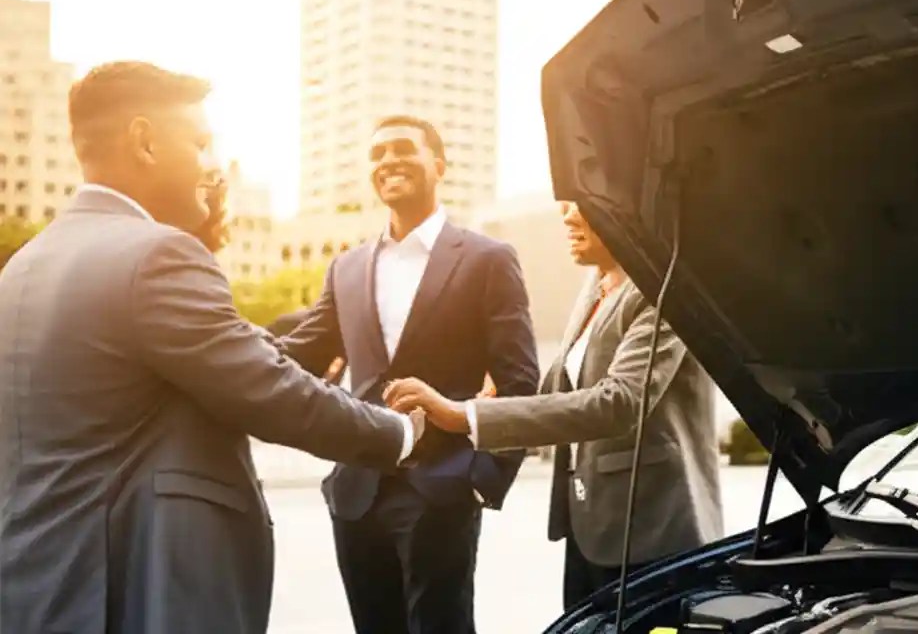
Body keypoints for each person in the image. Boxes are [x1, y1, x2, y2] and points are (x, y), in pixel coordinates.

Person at [0, 61, 427, 634]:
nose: (210, 164)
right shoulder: (156, 254)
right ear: (145, 141)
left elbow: (217, 359)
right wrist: (398, 433)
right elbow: (267, 390)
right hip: (133, 589)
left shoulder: (23, 267)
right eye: (200, 143)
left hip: (37, 588)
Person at [385, 201, 724, 609]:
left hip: (658, 534)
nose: (566, 216)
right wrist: (473, 403)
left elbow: (618, 403)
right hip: (590, 530)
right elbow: (562, 393)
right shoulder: (598, 285)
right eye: (563, 204)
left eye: (579, 203)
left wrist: (464, 417)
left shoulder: (666, 288)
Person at [277, 114, 539, 634]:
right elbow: (300, 350)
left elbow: (520, 381)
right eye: (377, 154)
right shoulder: (346, 268)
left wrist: (480, 479)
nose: (388, 161)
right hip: (357, 493)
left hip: (442, 490)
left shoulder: (487, 259)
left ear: (438, 166)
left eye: (403, 149)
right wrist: (216, 354)